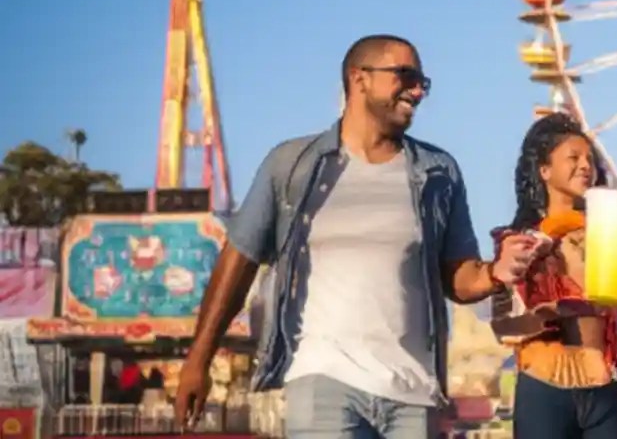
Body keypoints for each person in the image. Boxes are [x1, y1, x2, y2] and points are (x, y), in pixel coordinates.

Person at [174, 34, 537, 439]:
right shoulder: (292, 165)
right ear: (359, 78)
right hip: (323, 380)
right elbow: (238, 260)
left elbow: (459, 279)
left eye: (423, 82)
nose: (418, 90)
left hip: (413, 394)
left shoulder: (439, 173)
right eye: (406, 76)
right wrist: (197, 360)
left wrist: (496, 272)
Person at [488, 113, 617, 438]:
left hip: (601, 387)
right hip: (545, 386)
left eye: (590, 159)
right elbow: (503, 326)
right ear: (544, 170)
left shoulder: (613, 238)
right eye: (573, 158)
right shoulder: (519, 242)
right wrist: (549, 314)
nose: (585, 166)